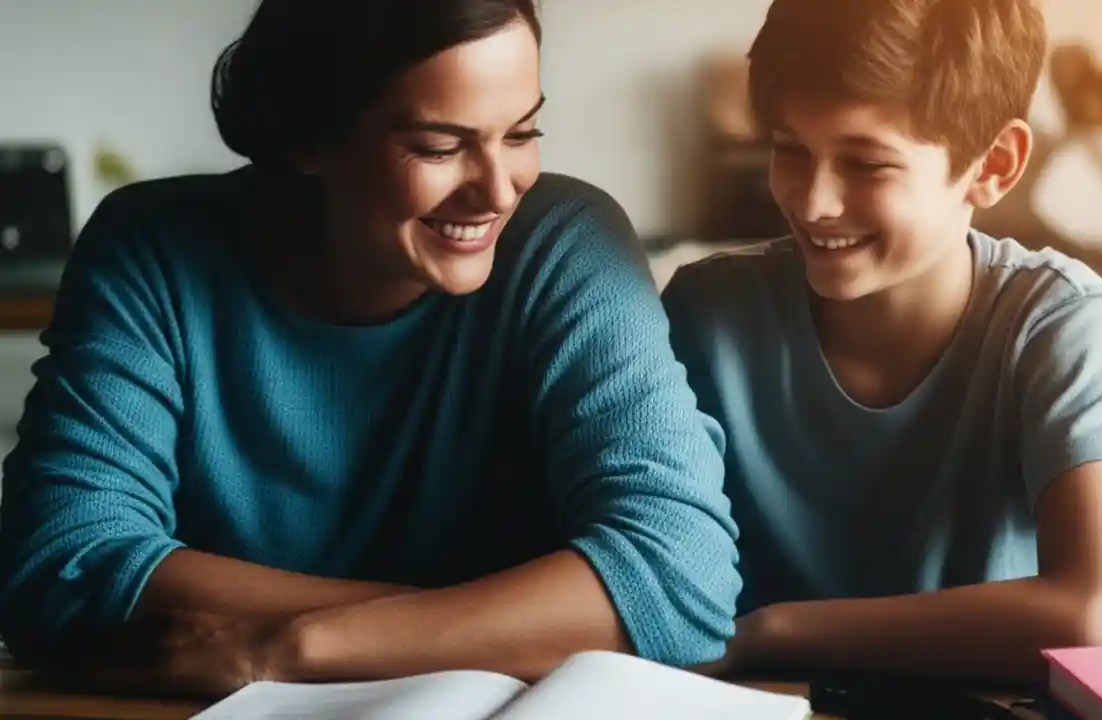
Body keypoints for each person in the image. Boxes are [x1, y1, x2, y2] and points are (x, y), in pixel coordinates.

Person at [0, 0, 741, 695]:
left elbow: (682, 581)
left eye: (521, 134)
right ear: (308, 136)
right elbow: (58, 567)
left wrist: (288, 648)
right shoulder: (154, 251)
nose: (498, 191)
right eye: (439, 146)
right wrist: (516, 622)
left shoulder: (567, 244)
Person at [665, 0, 1102, 680]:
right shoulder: (708, 312)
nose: (813, 202)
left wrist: (771, 631)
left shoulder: (1053, 321)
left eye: (866, 165)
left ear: (994, 165)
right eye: (791, 150)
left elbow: (1099, 621)